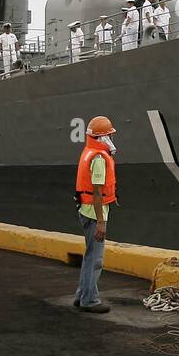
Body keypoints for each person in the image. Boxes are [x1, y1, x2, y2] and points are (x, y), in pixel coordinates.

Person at [73, 115, 118, 313]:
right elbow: (98, 191)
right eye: (109, 135)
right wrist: (101, 221)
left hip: (85, 208)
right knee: (96, 260)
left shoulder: (88, 152)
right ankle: (89, 300)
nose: (111, 138)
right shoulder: (99, 158)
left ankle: (81, 296)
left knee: (89, 256)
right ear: (102, 137)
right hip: (94, 213)